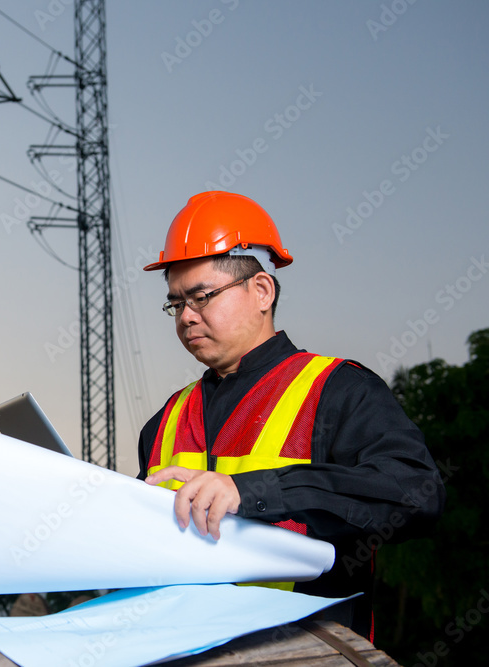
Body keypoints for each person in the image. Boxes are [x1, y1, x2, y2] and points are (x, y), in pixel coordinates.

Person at [136, 191, 444, 639]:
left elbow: (418, 494)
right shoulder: (165, 419)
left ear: (261, 290)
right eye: (176, 303)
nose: (185, 317)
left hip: (307, 651)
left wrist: (252, 491)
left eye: (201, 297)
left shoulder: (338, 389)